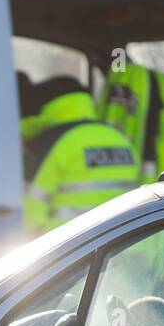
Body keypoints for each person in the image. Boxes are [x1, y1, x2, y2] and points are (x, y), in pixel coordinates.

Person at [19, 76, 140, 235]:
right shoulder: (122, 140)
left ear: (44, 109)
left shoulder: (51, 142)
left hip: (71, 250)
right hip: (126, 248)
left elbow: (31, 212)